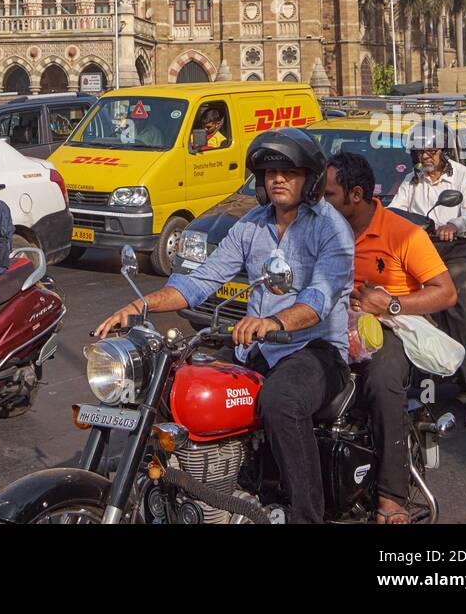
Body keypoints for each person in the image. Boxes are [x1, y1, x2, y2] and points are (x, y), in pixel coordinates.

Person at [96, 128, 355, 524]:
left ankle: (306, 517)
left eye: (289, 171)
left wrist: (273, 321)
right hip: (258, 348)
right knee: (181, 385)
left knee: (281, 402)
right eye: (270, 172)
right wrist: (140, 304)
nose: (278, 179)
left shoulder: (331, 227)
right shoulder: (252, 224)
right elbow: (200, 280)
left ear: (312, 178)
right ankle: (196, 491)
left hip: (314, 351)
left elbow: (320, 298)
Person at [324, 151, 457, 525]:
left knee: (382, 383)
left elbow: (446, 292)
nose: (322, 202)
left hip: (389, 329)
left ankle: (391, 496)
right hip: (332, 327)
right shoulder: (322, 230)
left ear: (356, 194)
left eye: (330, 194)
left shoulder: (403, 234)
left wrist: (392, 304)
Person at [389, 124, 466, 428]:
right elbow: (396, 210)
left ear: (444, 151)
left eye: (431, 150)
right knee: (407, 307)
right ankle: (420, 385)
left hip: (456, 250)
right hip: (422, 252)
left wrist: (455, 225)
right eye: (421, 151)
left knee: (462, 309)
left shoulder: (463, 176)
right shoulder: (411, 181)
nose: (426, 156)